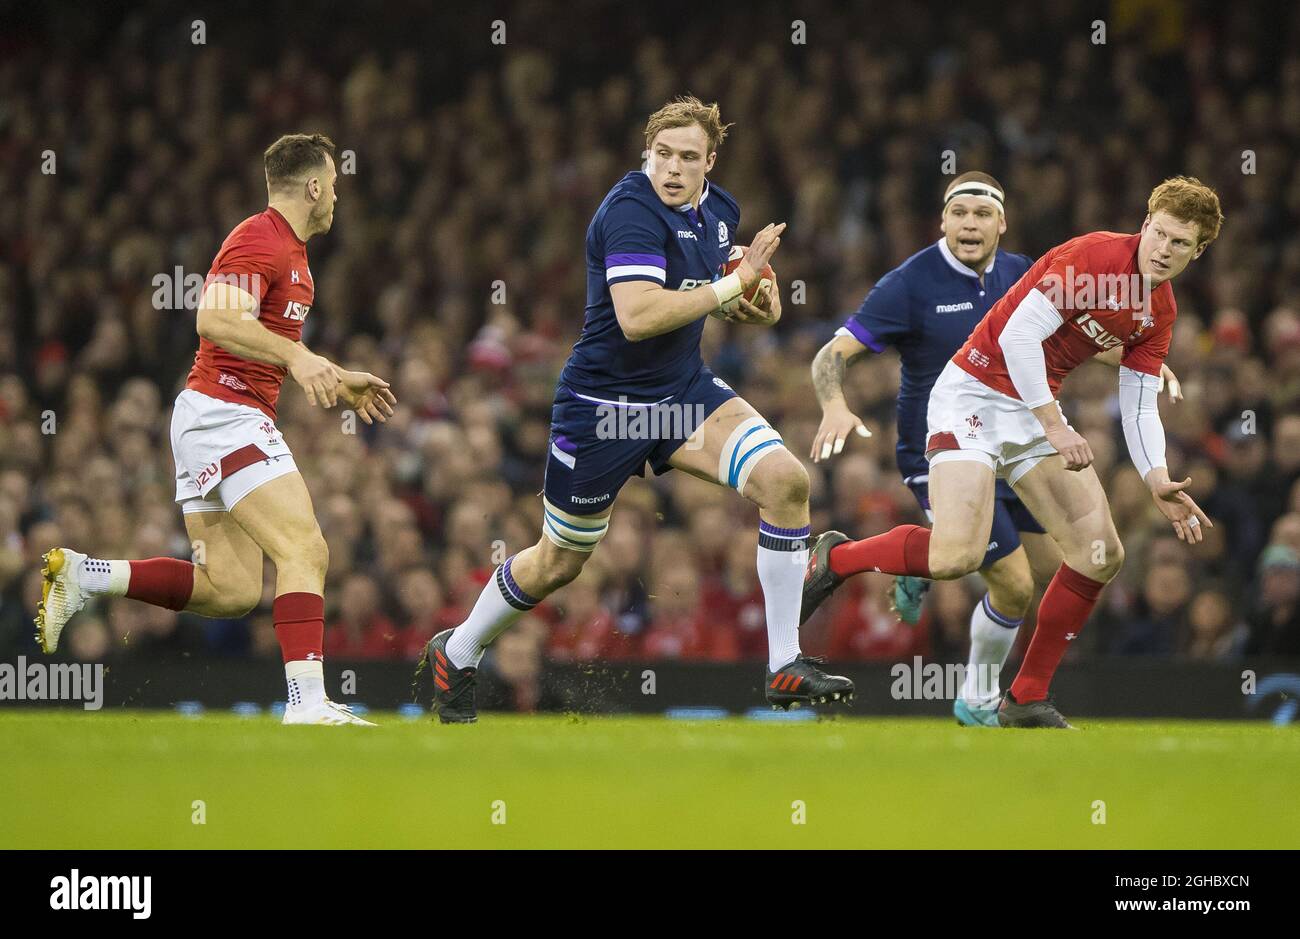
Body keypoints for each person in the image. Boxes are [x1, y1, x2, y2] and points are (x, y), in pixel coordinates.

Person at [418, 96, 854, 723]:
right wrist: (732, 287)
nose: (673, 169)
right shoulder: (629, 213)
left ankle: (783, 663)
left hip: (680, 396)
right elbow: (639, 315)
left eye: (688, 158)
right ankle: (457, 653)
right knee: (558, 562)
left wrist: (757, 294)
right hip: (602, 410)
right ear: (646, 154)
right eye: (663, 155)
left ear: (710, 163)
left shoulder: (720, 209)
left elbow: (753, 300)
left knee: (786, 482)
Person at [803, 176, 1222, 727]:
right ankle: (834, 558)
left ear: (1198, 251)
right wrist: (1054, 424)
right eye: (1160, 234)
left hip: (1029, 408)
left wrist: (1156, 478)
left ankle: (1025, 697)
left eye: (1181, 245)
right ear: (1144, 224)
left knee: (1101, 554)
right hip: (972, 394)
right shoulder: (1091, 259)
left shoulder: (1159, 311)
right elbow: (1018, 338)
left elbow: (1139, 400)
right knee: (958, 557)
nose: (1164, 251)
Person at [36, 134, 396, 726]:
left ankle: (85, 575)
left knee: (230, 591)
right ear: (312, 186)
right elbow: (215, 317)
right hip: (223, 414)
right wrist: (301, 360)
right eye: (333, 182)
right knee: (305, 547)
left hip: (216, 416)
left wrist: (328, 371)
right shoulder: (261, 238)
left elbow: (260, 338)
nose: (337, 194)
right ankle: (307, 702)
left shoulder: (293, 254)